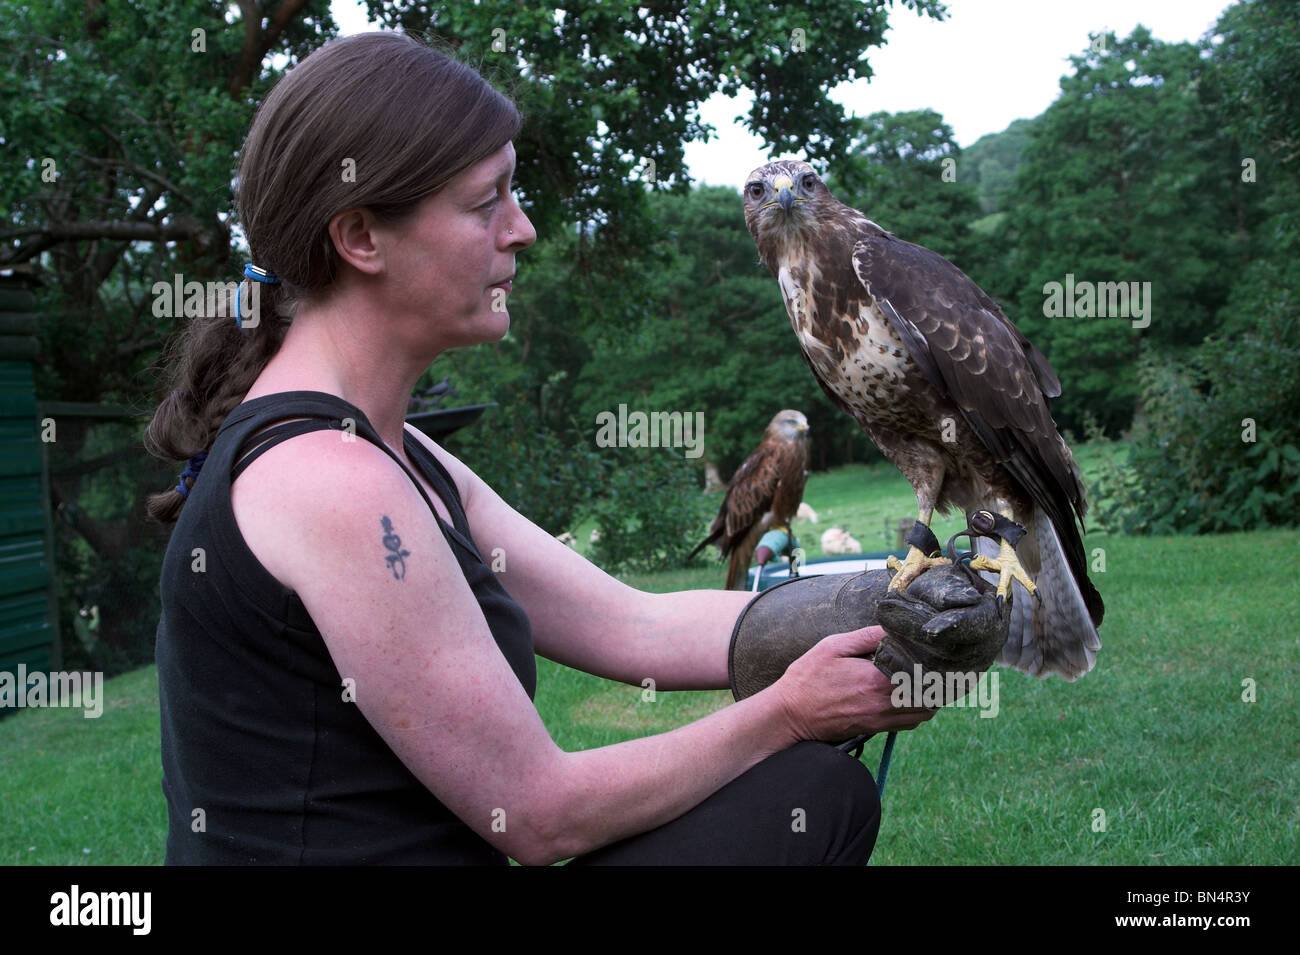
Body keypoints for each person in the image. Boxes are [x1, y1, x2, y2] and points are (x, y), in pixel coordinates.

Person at [144, 31, 938, 866]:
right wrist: (790, 710)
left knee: (806, 797)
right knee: (802, 791)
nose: (522, 231)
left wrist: (884, 608)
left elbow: (635, 624)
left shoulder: (393, 450)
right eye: (488, 202)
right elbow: (532, 811)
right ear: (361, 237)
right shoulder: (326, 481)